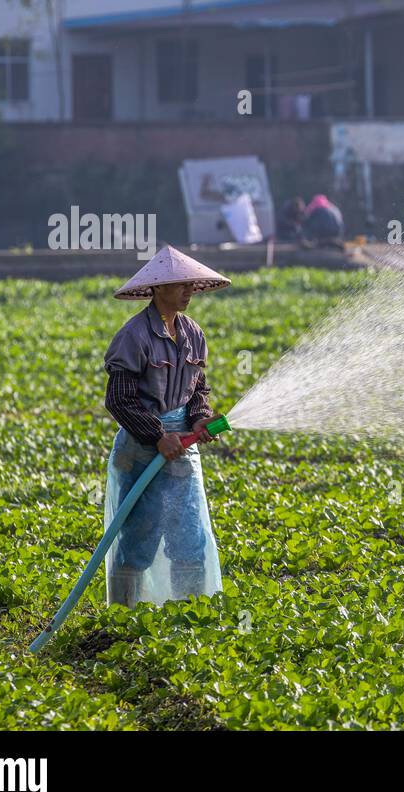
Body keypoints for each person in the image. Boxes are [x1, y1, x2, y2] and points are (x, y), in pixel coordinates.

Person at [101, 245, 230, 607]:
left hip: (181, 451)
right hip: (143, 452)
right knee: (138, 534)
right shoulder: (134, 336)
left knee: (189, 536)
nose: (189, 291)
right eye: (180, 285)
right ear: (157, 288)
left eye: (191, 285)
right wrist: (157, 436)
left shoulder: (192, 333)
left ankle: (189, 614)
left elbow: (197, 389)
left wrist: (201, 417)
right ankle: (123, 616)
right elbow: (119, 401)